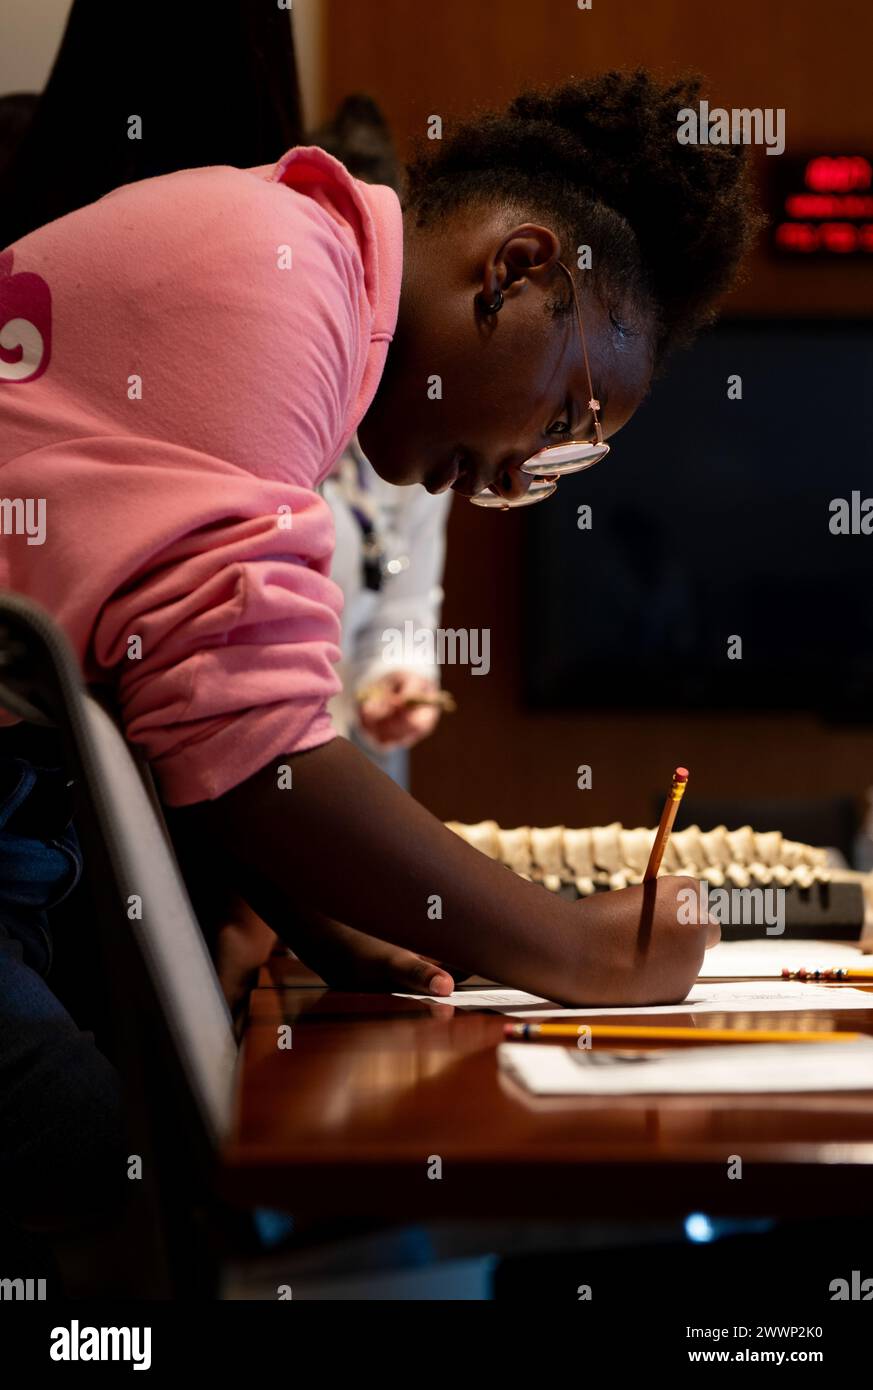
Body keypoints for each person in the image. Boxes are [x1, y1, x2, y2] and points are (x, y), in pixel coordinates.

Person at [1, 71, 761, 1006]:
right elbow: (247, 731)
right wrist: (574, 949)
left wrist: (326, 920)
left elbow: (170, 691)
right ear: (516, 268)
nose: (521, 473)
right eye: (565, 417)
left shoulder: (293, 255)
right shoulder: (277, 275)